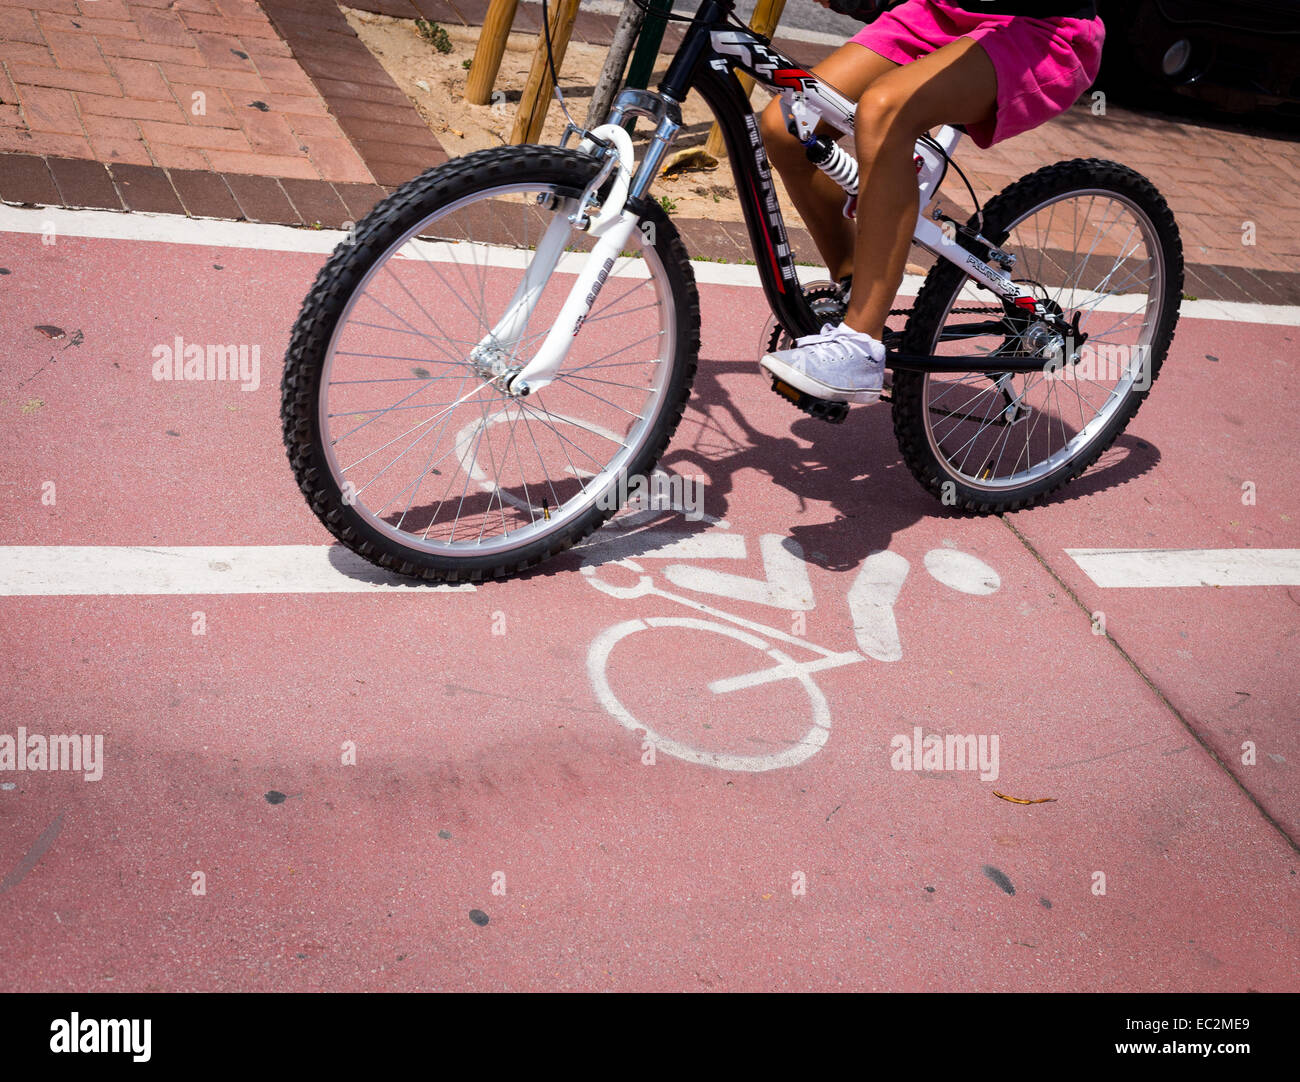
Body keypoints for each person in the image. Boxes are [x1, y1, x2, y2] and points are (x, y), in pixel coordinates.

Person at [759, 0, 1105, 404]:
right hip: (939, 11)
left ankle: (860, 347)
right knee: (786, 125)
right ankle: (855, 287)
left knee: (885, 110)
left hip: (1039, 28)